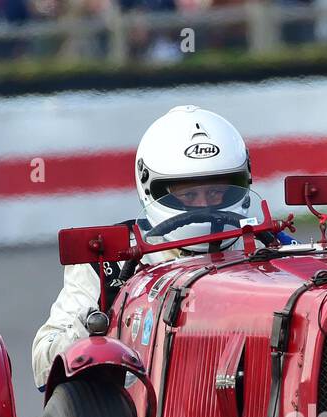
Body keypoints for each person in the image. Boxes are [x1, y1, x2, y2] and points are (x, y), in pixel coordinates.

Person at [32, 105, 289, 389]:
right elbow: (43, 367)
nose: (205, 205)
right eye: (190, 194)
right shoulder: (108, 261)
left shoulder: (277, 247)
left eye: (217, 192)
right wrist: (90, 330)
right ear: (150, 188)